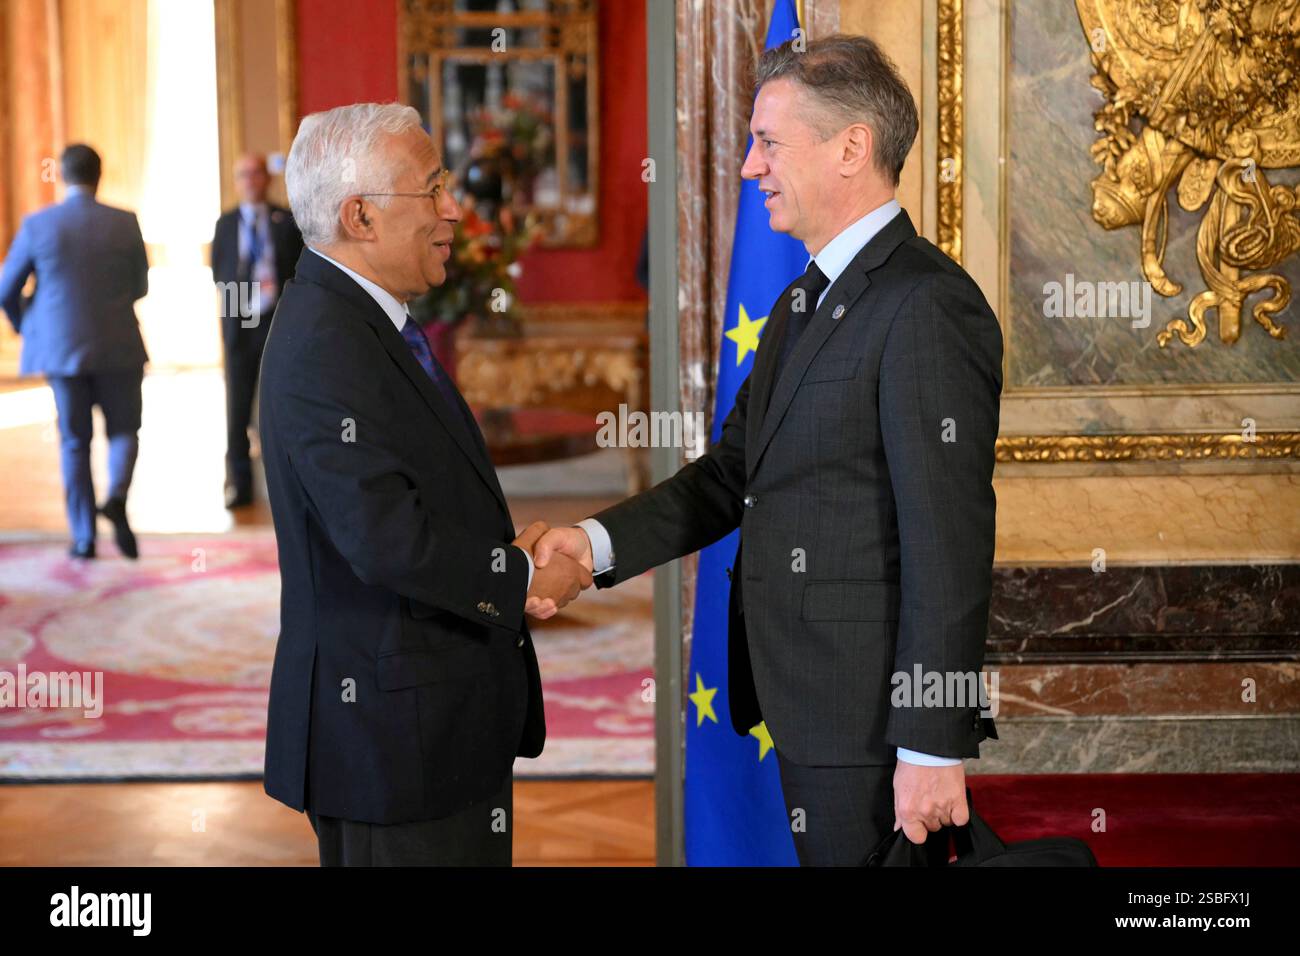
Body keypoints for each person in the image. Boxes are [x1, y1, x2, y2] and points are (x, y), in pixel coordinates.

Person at [535, 34, 1003, 866]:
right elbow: (731, 475)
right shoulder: (803, 298)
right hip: (806, 702)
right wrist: (596, 545)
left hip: (873, 723)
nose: (750, 166)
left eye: (769, 143)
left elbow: (949, 542)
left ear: (852, 147)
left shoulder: (927, 306)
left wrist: (933, 744)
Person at [258, 103, 592, 866]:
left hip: (430, 730)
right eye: (432, 189)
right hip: (390, 747)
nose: (453, 209)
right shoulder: (325, 342)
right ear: (361, 216)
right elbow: (383, 539)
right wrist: (518, 573)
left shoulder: (366, 322)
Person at [0, 144, 149, 560]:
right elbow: (141, 286)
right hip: (119, 344)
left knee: (74, 442)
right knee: (124, 431)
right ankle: (116, 496)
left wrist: (27, 324)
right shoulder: (125, 222)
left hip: (61, 348)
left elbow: (5, 290)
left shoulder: (38, 225)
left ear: (62, 176)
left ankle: (84, 538)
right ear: (99, 176)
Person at [210, 153, 303, 508]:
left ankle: (285, 482)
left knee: (279, 403)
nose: (250, 180)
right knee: (237, 406)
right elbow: (219, 274)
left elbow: (296, 271)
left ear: (267, 179)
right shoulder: (226, 223)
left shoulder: (285, 221)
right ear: (236, 181)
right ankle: (238, 483)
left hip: (276, 321)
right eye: (243, 174)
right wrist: (232, 318)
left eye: (256, 174)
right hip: (240, 324)